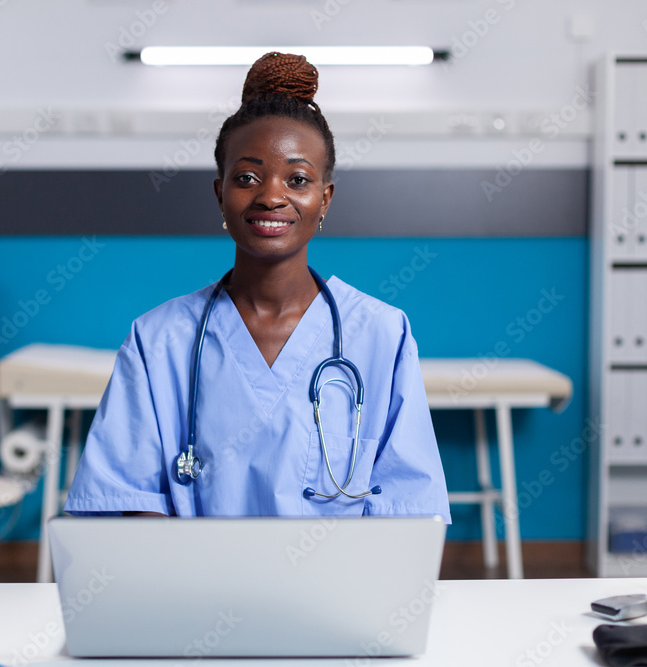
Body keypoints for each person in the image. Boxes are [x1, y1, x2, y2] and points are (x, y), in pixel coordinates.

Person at [64, 52, 449, 519]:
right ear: (219, 194)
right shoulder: (158, 340)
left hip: (336, 589)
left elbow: (408, 510)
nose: (270, 195)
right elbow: (127, 503)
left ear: (324, 199)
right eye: (247, 177)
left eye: (298, 178)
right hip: (196, 589)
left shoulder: (382, 334)